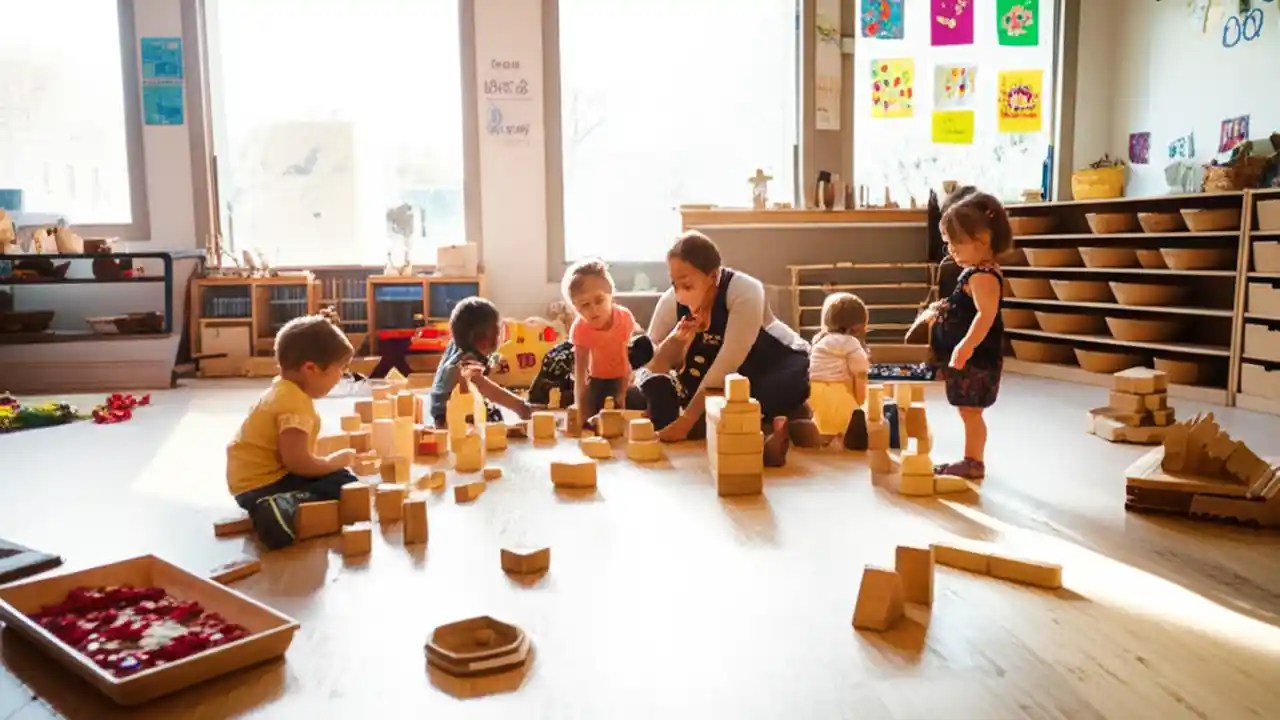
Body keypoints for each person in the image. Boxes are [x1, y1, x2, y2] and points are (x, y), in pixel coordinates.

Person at [640, 230, 818, 465]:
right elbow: (648, 360)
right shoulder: (672, 300)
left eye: (687, 284)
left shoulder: (745, 291)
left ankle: (782, 423)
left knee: (739, 400)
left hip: (774, 363)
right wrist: (668, 351)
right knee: (687, 398)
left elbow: (728, 364)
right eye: (674, 283)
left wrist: (685, 423)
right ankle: (779, 424)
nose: (680, 292)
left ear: (712, 276)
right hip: (720, 375)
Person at [226, 315, 357, 512]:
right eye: (340, 369)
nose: (341, 377)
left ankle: (282, 506)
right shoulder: (295, 403)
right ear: (310, 368)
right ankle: (279, 508)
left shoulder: (282, 390)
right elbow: (297, 462)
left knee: (337, 480)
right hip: (262, 487)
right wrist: (332, 463)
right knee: (343, 483)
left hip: (249, 485)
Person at [927, 187, 1010, 480]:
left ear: (983, 240)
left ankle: (973, 461)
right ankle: (971, 459)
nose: (951, 251)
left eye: (957, 244)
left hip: (977, 359)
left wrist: (965, 346)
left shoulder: (984, 276)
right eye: (948, 243)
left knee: (971, 412)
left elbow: (986, 315)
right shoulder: (974, 271)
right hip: (971, 358)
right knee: (967, 410)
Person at [429, 297, 532, 427]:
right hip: (453, 417)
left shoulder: (457, 345)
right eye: (498, 331)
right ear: (486, 341)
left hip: (440, 409)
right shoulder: (468, 360)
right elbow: (483, 386)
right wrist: (521, 406)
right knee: (493, 417)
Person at [562, 258, 639, 421]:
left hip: (622, 378)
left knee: (629, 407)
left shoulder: (624, 318)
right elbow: (580, 372)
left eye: (599, 300)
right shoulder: (581, 329)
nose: (594, 310)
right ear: (576, 308)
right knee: (590, 413)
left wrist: (625, 388)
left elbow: (628, 353)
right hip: (596, 381)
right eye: (585, 305)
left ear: (611, 296)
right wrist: (579, 407)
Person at [808, 292, 871, 446]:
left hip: (813, 397)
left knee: (825, 423)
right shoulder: (851, 344)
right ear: (858, 326)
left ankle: (825, 436)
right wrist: (860, 405)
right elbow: (860, 376)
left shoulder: (819, 342)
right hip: (838, 396)